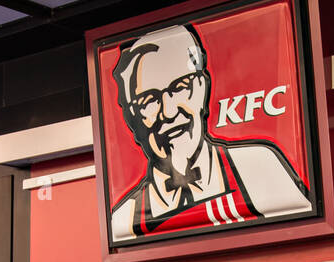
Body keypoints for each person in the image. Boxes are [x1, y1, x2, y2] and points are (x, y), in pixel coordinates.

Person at [108, 23, 311, 243]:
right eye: (149, 100)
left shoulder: (260, 169)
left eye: (180, 87)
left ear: (202, 88)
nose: (169, 111)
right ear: (131, 118)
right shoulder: (124, 220)